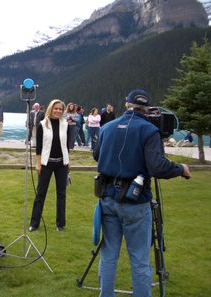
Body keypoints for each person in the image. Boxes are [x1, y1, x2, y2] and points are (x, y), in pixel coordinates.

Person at [94, 89, 191, 297]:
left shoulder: (107, 127)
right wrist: (181, 169)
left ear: (126, 105)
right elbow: (157, 167)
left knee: (109, 255)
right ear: (147, 109)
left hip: (108, 197)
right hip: (136, 203)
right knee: (139, 259)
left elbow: (96, 155)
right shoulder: (149, 131)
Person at [29, 99, 70, 232]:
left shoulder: (65, 124)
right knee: (40, 194)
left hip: (62, 164)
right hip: (46, 163)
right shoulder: (42, 124)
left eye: (60, 109)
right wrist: (38, 164)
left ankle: (60, 224)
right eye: (55, 108)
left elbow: (66, 146)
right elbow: (39, 147)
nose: (58, 111)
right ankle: (34, 223)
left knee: (61, 194)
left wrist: (68, 163)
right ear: (51, 109)